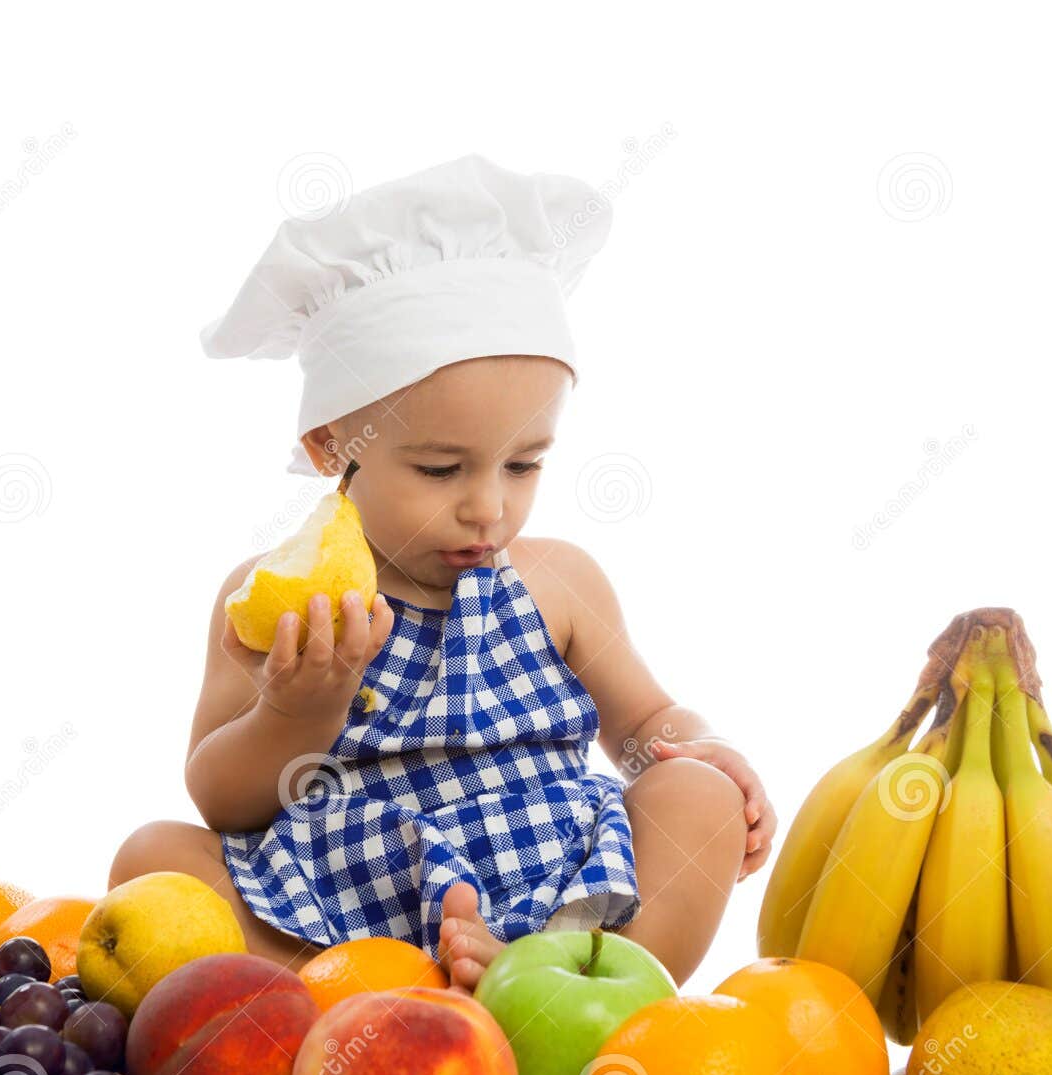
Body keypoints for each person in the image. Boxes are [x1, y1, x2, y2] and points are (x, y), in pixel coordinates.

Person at [110, 155, 774, 989]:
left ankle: (587, 992)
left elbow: (645, 721)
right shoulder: (277, 598)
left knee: (697, 799)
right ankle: (365, 1001)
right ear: (330, 447)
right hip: (340, 914)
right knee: (157, 858)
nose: (488, 509)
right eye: (440, 470)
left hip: (554, 894)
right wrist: (295, 712)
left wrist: (699, 745)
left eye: (524, 464)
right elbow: (223, 802)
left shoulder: (560, 583)